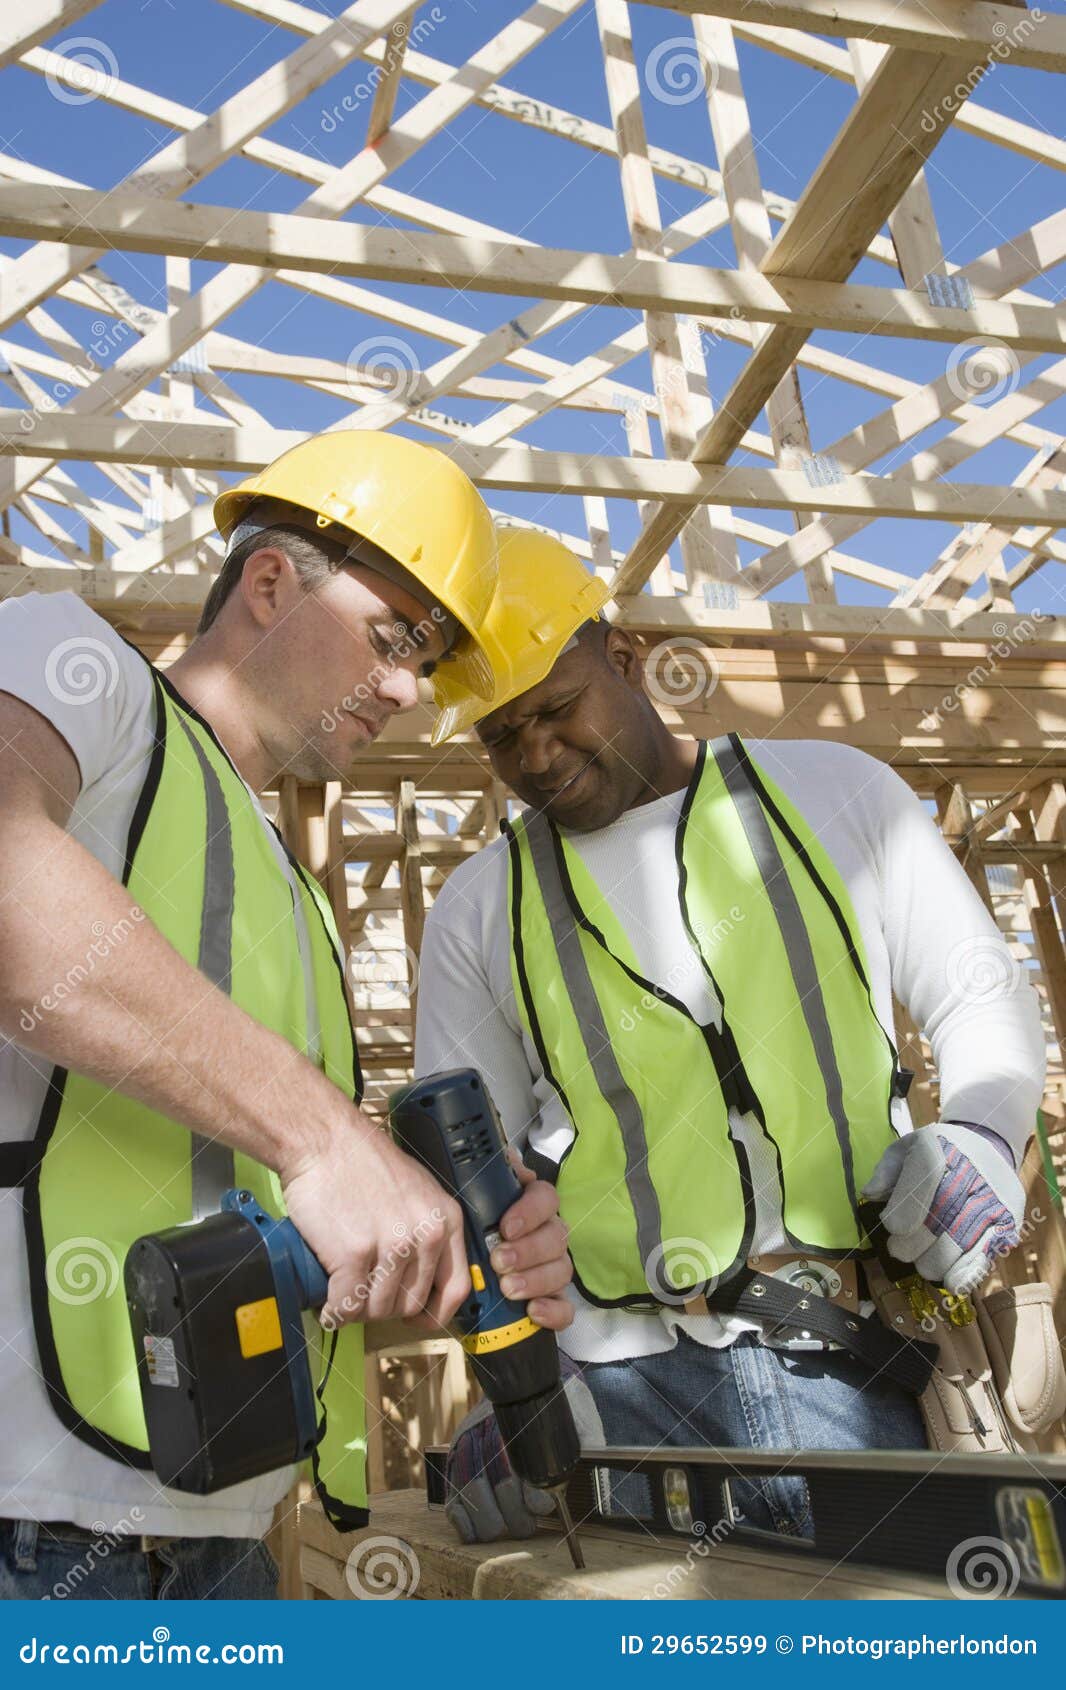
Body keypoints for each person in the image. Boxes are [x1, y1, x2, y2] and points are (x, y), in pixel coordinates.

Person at [0, 433, 574, 1600]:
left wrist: (442, 1228)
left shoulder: (292, 895)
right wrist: (325, 1140)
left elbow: (243, 1177)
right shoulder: (77, 662)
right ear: (269, 583)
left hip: (224, 1522)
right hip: (32, 1512)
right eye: (396, 640)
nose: (411, 691)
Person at [415, 525, 1045, 1545]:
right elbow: (472, 1187)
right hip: (621, 1402)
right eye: (500, 736)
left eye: (556, 708)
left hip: (863, 1366)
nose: (535, 754)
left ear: (626, 658)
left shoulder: (839, 794)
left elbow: (980, 997)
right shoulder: (479, 908)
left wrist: (981, 1128)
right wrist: (523, 1391)